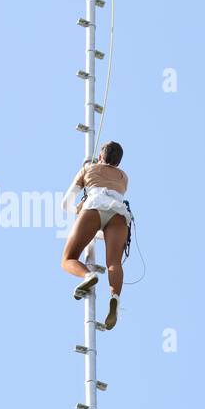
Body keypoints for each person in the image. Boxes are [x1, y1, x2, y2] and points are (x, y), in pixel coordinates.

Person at [61, 140, 131, 330]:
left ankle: (88, 275)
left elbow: (65, 203)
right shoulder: (124, 177)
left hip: (93, 207)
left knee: (68, 258)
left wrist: (78, 210)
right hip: (119, 214)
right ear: (118, 162)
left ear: (100, 156)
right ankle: (115, 297)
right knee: (113, 263)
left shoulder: (88, 169)